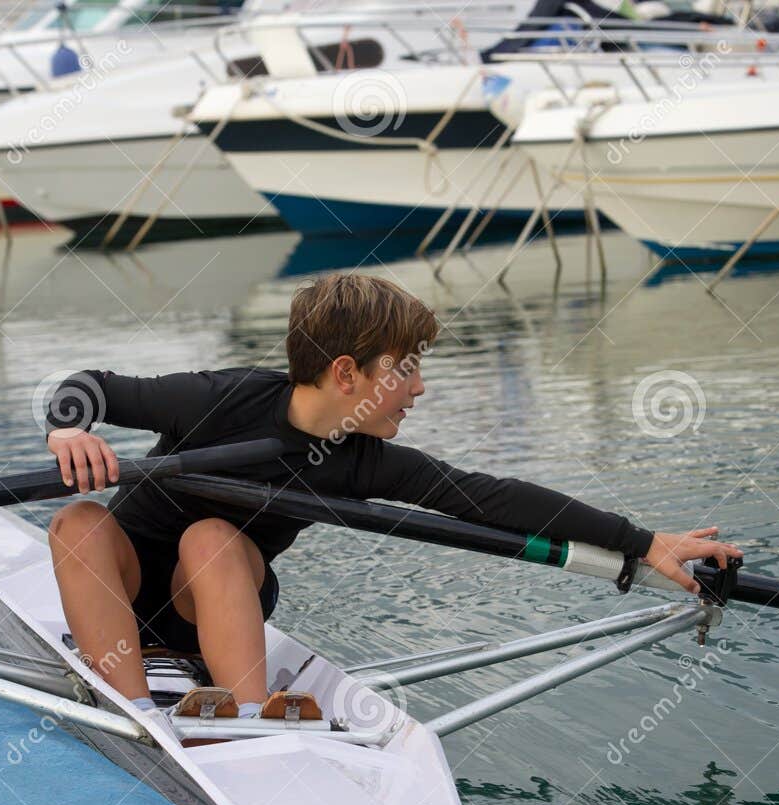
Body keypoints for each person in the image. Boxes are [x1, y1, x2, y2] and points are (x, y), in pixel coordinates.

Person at [43, 272, 741, 719]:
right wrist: (66, 432)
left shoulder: (367, 463)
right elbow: (86, 388)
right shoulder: (215, 399)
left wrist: (644, 542)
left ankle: (249, 723)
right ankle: (127, 705)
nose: (419, 387)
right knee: (77, 518)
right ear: (346, 373)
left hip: (212, 609)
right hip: (122, 595)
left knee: (210, 539)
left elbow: (490, 499)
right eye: (404, 370)